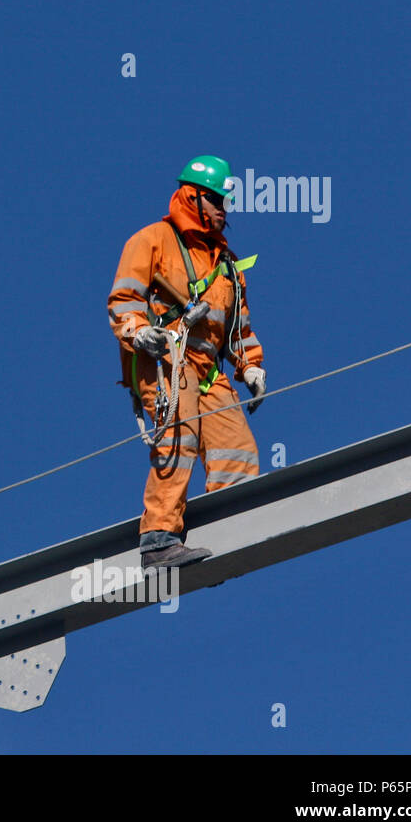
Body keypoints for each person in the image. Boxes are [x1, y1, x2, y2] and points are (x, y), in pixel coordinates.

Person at [108, 155, 268, 569]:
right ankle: (159, 539)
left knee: (238, 449)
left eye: (225, 201)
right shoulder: (153, 240)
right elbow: (124, 299)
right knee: (179, 433)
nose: (222, 208)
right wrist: (140, 331)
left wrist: (249, 363)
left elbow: (237, 328)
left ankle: (232, 529)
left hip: (208, 368)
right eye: (215, 199)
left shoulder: (227, 266)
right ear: (191, 196)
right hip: (166, 358)